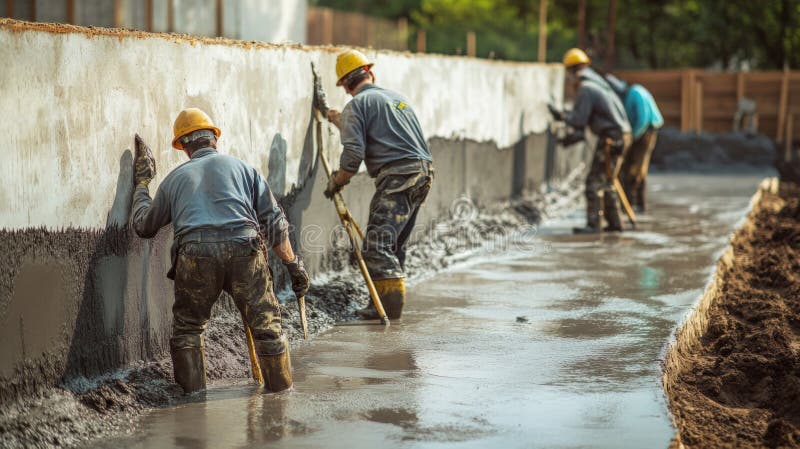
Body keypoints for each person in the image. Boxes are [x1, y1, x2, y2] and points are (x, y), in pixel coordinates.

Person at [130, 108, 309, 394]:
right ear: (214, 138)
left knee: (188, 329)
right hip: (245, 250)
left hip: (195, 255)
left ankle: (193, 401)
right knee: (267, 328)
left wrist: (141, 186)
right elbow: (275, 224)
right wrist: (293, 264)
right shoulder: (245, 169)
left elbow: (144, 226)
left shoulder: (174, 180)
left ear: (184, 148)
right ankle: (281, 397)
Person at [324, 49, 434, 320]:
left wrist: (336, 182)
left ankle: (387, 310)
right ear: (370, 73)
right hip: (423, 173)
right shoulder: (396, 98)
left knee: (377, 245)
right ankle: (388, 304)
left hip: (398, 176)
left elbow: (352, 156)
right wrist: (337, 119)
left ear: (346, 85)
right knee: (394, 244)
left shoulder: (356, 106)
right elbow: (377, 131)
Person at [548, 48, 632, 233]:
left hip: (611, 138)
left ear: (571, 70)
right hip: (621, 135)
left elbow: (579, 120)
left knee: (593, 182)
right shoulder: (599, 84)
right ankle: (616, 223)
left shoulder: (586, 89)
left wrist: (561, 115)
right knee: (608, 180)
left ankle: (594, 225)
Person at [604, 74, 664, 211]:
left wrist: (632, 137)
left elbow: (642, 120)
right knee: (634, 167)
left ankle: (635, 204)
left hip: (646, 132)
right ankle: (635, 203)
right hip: (640, 132)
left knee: (637, 168)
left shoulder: (635, 94)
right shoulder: (632, 94)